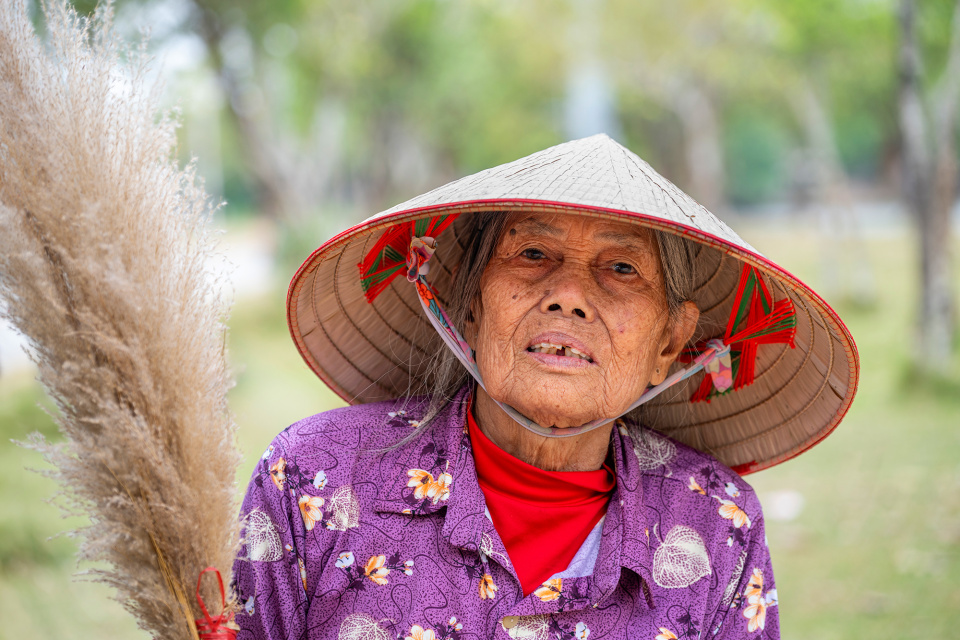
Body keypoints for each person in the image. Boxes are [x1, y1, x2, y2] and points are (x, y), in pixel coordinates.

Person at [232, 135, 858, 640]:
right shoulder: (313, 476)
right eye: (533, 253)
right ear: (467, 308)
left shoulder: (718, 523)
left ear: (669, 344)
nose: (568, 296)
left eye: (620, 268)